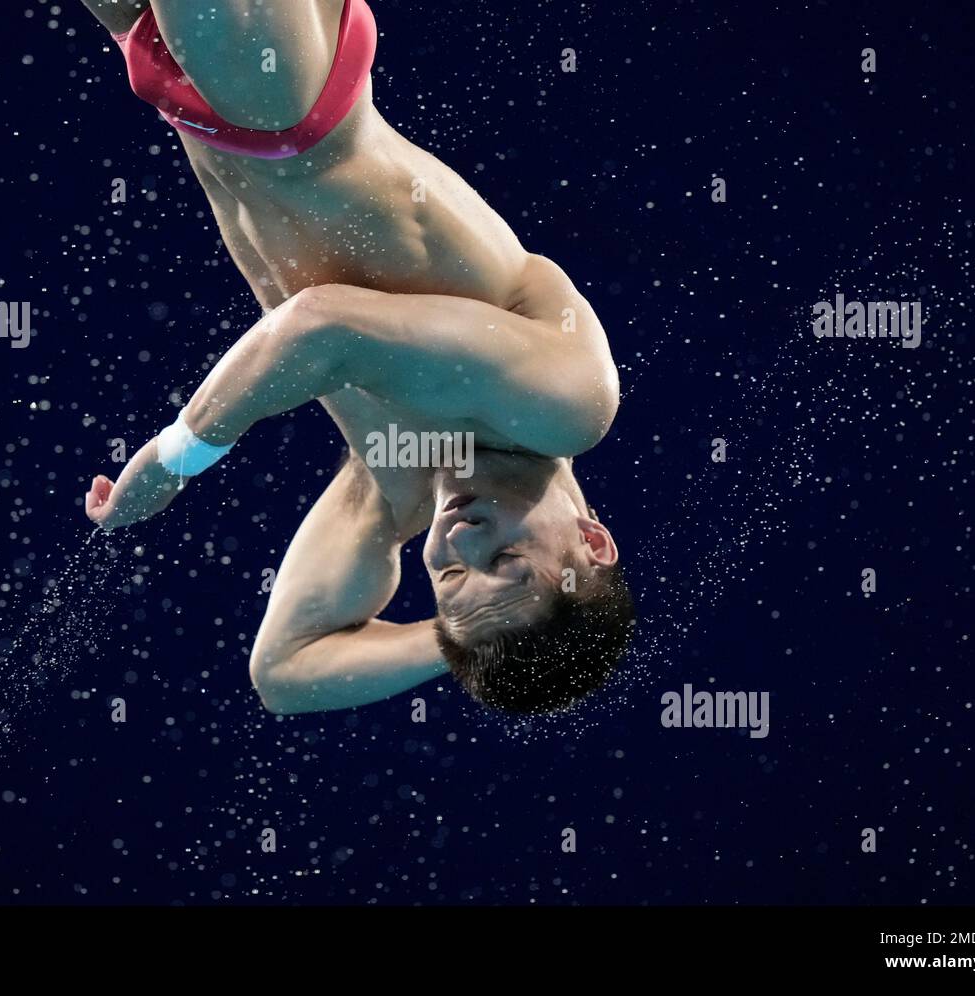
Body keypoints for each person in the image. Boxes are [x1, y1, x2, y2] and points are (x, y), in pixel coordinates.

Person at [77, 0, 634, 715]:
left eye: (451, 580)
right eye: (504, 560)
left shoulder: (401, 484)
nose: (459, 543)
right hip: (285, 99)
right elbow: (322, 325)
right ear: (591, 541)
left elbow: (283, 674)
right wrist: (178, 457)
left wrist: (475, 635)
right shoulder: (565, 407)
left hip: (200, 103)